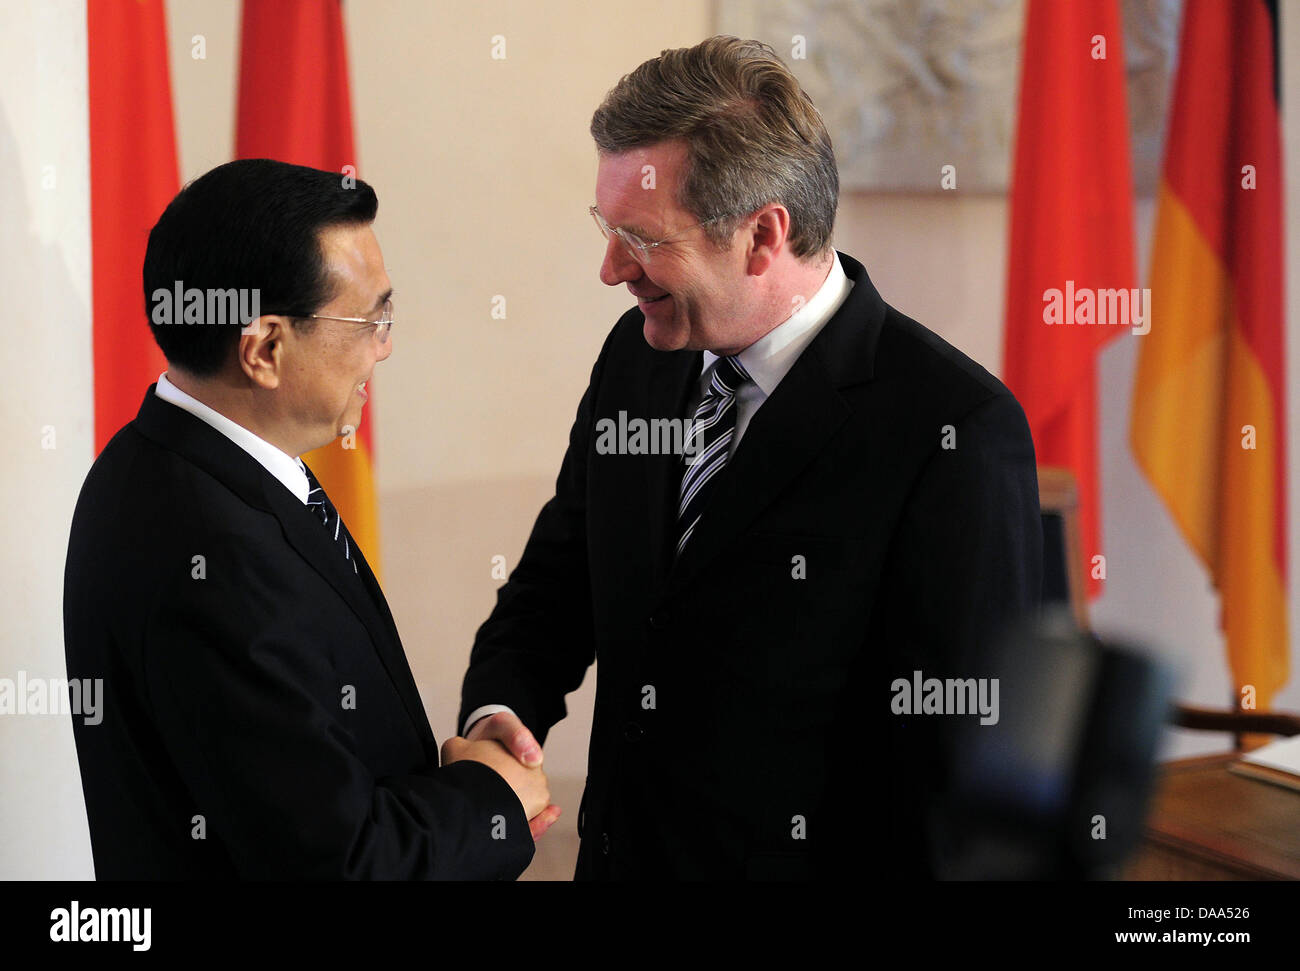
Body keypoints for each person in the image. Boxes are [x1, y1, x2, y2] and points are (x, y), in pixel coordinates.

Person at [459, 36, 1042, 879]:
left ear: (763, 235)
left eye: (640, 237)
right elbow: (559, 581)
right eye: (606, 226)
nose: (610, 267)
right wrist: (498, 708)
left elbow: (965, 773)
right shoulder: (638, 359)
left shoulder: (953, 431)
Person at [64, 158, 553, 879]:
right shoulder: (214, 552)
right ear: (264, 348)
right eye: (369, 320)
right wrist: (490, 797)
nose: (384, 346)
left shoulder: (164, 458)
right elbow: (337, 863)